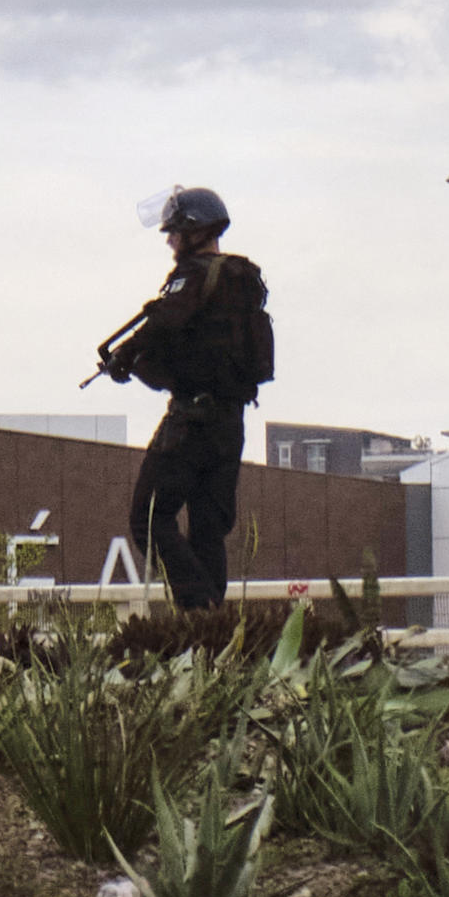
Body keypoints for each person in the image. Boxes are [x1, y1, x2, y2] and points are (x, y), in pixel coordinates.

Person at [102, 187, 273, 611]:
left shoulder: (193, 277)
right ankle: (214, 635)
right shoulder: (242, 280)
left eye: (174, 231)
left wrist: (124, 356)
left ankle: (199, 611)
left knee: (148, 519)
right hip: (231, 426)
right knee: (208, 530)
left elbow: (163, 324)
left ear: (194, 231)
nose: (169, 241)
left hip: (190, 422)